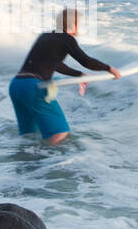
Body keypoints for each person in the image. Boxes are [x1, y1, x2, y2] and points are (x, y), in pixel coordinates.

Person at [9, 8, 119, 145]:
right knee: (59, 132)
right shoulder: (67, 38)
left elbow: (54, 63)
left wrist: (78, 74)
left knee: (29, 134)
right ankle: (49, 165)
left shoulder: (46, 35)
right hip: (34, 87)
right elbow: (86, 61)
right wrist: (110, 69)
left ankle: (25, 161)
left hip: (16, 86)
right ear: (73, 24)